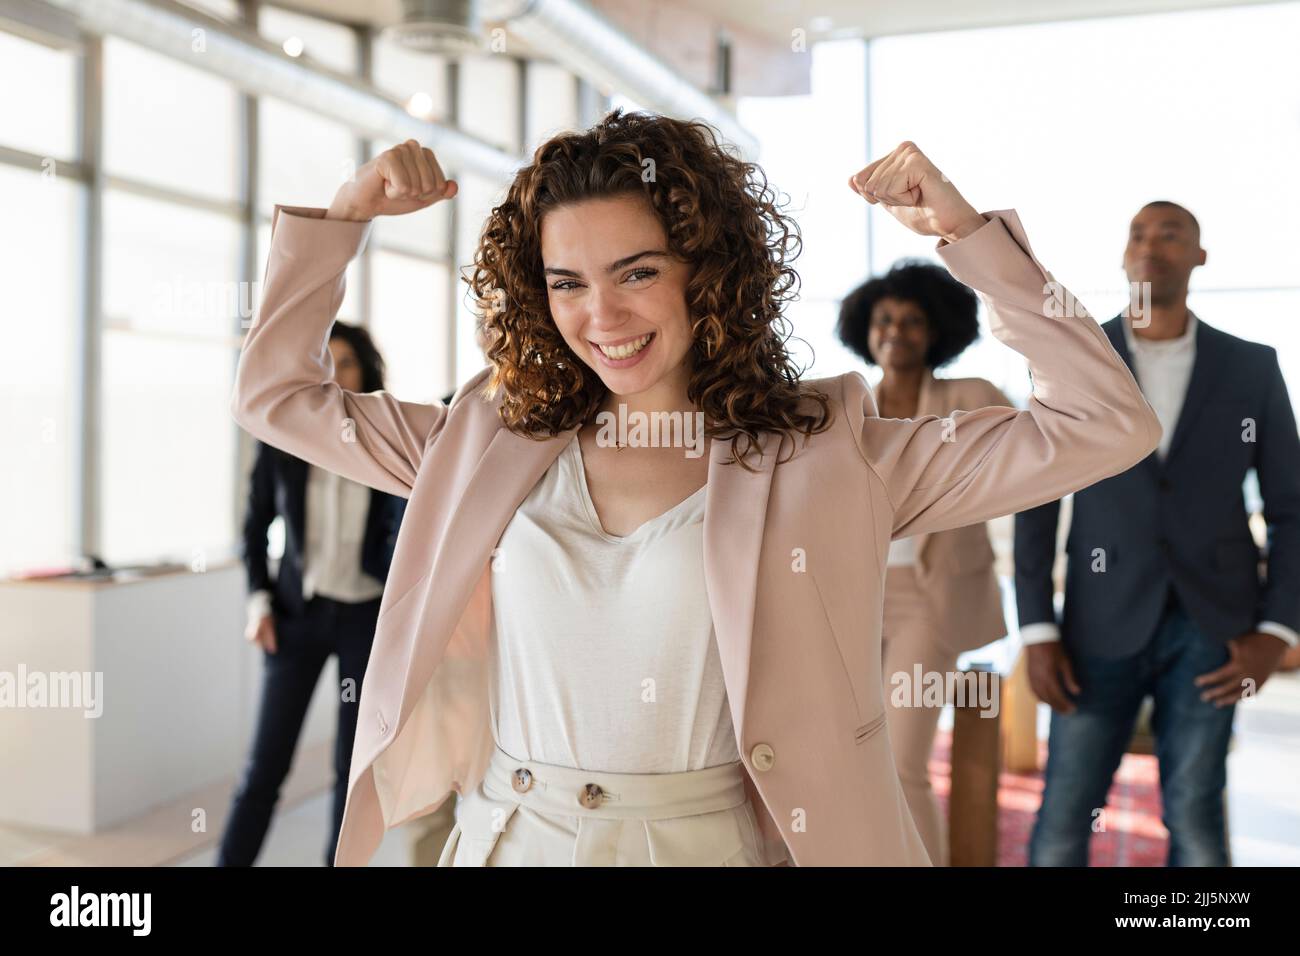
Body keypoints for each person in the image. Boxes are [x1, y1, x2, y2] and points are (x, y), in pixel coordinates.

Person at [230, 110, 1161, 867]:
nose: (602, 316)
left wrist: (968, 237)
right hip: (510, 842)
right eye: (567, 284)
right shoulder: (480, 440)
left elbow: (1104, 424)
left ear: (706, 275)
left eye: (637, 272)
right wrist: (342, 220)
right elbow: (275, 397)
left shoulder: (827, 454)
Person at [1015, 201, 1300, 866]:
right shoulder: (1080, 360)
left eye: (1172, 233)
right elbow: (1034, 496)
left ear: (1200, 257)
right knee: (1064, 810)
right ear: (1123, 255)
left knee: (1197, 810)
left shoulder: (1252, 366)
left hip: (1216, 630)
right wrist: (1037, 628)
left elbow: (1292, 508)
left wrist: (1279, 630)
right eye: (1138, 232)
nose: (1151, 245)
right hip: (1095, 626)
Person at [836, 260, 1012, 866]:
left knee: (901, 761)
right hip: (852, 595)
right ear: (866, 329)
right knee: (846, 758)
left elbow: (1029, 461)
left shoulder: (972, 398)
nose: (897, 331)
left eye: (913, 321)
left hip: (930, 597)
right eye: (885, 320)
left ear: (937, 330)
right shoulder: (844, 408)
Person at [218, 321, 407, 866]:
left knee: (351, 773)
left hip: (365, 622)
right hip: (296, 618)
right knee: (264, 767)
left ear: (364, 370)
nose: (335, 373)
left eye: (346, 362)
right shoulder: (283, 440)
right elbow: (252, 532)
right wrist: (259, 604)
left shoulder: (385, 440)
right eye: (325, 361)